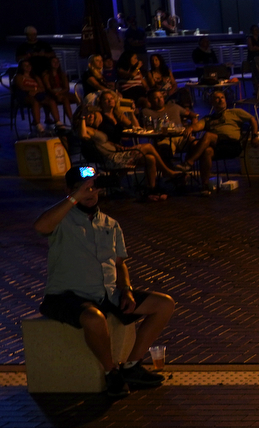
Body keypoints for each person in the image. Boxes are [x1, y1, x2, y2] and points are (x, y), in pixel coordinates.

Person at [33, 167, 178, 398]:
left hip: (108, 294)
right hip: (67, 295)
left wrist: (127, 290)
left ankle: (131, 366)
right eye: (84, 189)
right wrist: (74, 198)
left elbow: (120, 263)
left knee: (164, 304)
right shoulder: (62, 218)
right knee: (94, 318)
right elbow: (41, 226)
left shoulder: (110, 223)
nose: (90, 194)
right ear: (69, 191)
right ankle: (112, 373)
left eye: (94, 188)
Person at [73, 100, 184, 200]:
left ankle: (151, 189)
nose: (90, 117)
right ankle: (168, 172)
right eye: (87, 116)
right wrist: (83, 117)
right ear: (81, 117)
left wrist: (117, 146)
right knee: (148, 147)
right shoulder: (84, 130)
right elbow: (83, 135)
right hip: (112, 159)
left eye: (91, 115)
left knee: (150, 158)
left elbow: (103, 143)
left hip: (117, 154)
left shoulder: (93, 128)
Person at [183, 90, 259, 193]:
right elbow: (198, 126)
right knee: (206, 152)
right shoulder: (208, 118)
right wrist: (190, 128)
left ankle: (189, 162)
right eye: (217, 98)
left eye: (222, 97)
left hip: (232, 144)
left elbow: (252, 120)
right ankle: (205, 187)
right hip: (217, 146)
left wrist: (255, 136)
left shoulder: (235, 112)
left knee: (208, 135)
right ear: (212, 103)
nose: (220, 100)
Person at [12, 58, 60, 133]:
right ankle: (38, 124)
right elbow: (22, 87)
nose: (28, 67)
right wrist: (33, 90)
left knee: (51, 101)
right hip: (25, 95)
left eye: (29, 65)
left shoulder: (35, 77)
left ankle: (58, 122)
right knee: (35, 102)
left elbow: (42, 88)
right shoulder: (19, 76)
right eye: (25, 65)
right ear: (21, 67)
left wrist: (35, 90)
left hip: (37, 94)